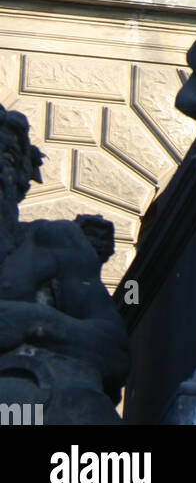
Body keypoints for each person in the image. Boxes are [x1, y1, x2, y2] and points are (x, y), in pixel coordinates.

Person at [0, 105, 129, 424]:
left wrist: (32, 320)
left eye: (6, 160)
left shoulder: (53, 241)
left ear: (20, 182)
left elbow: (114, 353)